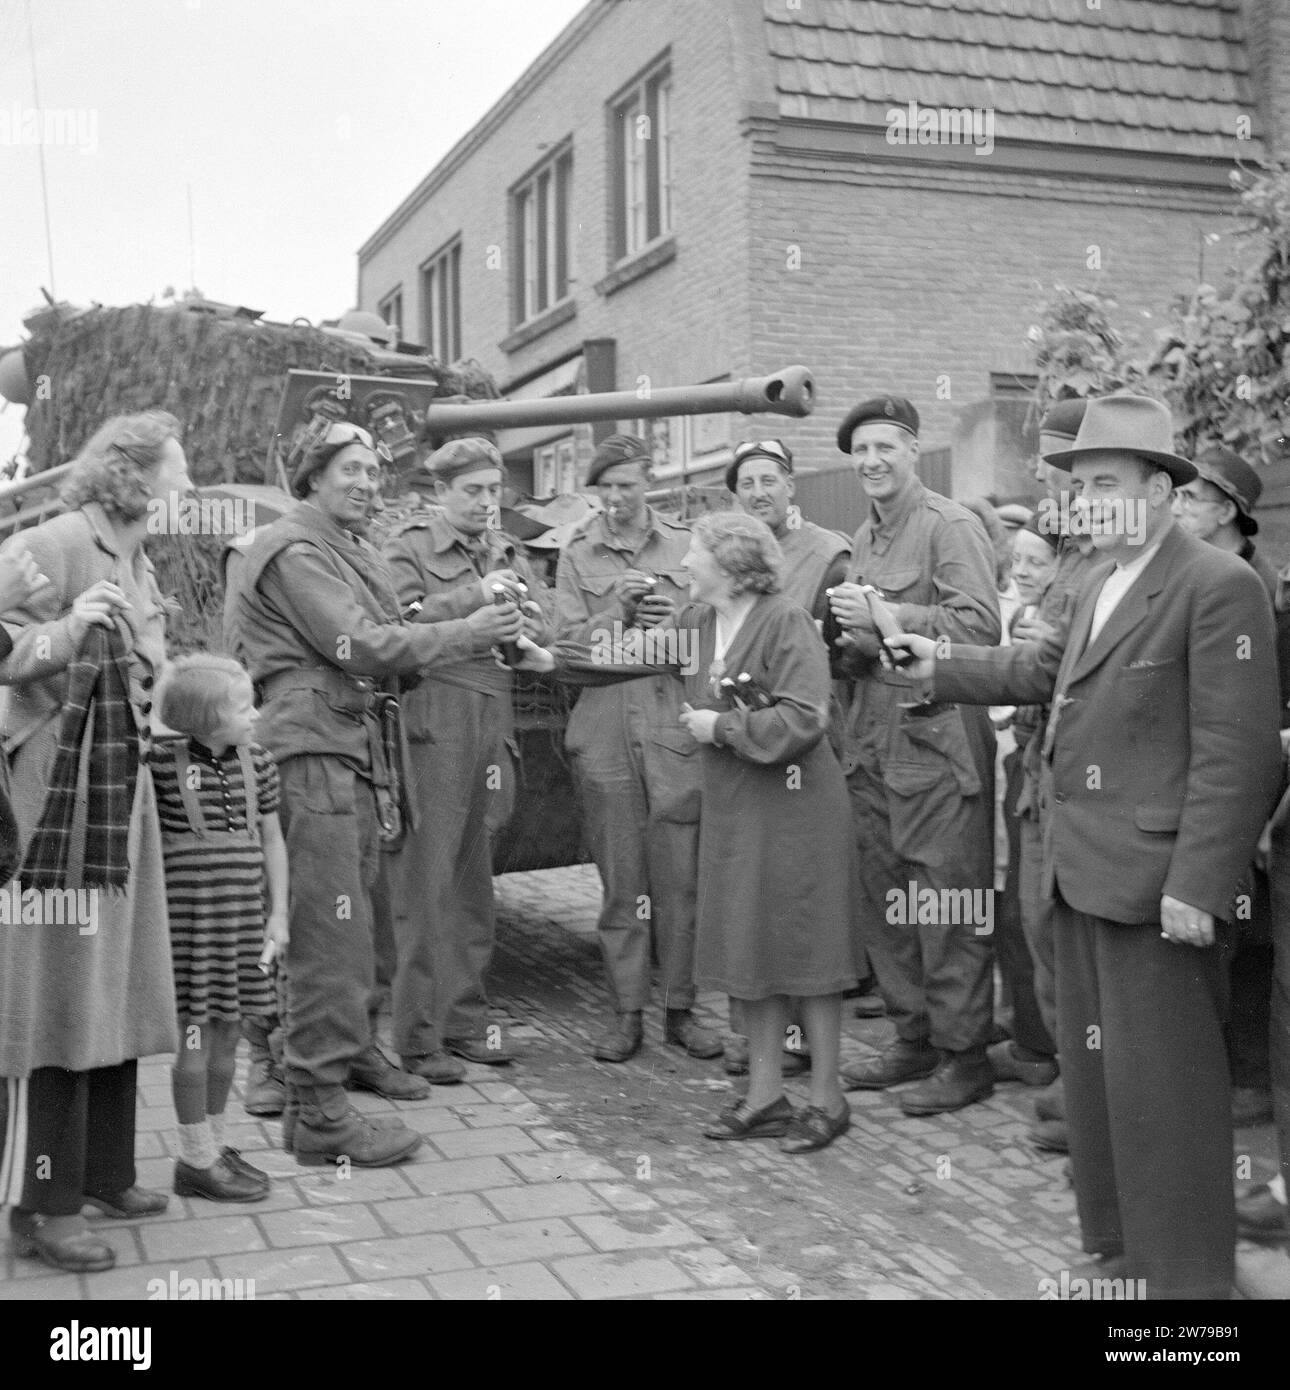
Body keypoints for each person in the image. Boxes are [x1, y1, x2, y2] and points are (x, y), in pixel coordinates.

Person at [888, 394, 1282, 1300]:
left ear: (1158, 489)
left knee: (1169, 1100)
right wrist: (932, 661)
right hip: (1078, 871)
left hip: (1158, 891)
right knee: (1101, 1092)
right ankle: (1119, 1257)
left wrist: (1201, 882)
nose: (1089, 499)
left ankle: (1188, 1296)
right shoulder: (1098, 581)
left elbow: (1241, 751)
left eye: (1107, 481)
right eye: (1080, 484)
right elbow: (1034, 671)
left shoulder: (1217, 585)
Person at [224, 421, 532, 1167]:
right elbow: (357, 646)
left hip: (345, 747)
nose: (367, 482)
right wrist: (468, 631)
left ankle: (343, 1058)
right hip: (312, 753)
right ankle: (320, 1109)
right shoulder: (296, 551)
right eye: (351, 470)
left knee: (353, 924)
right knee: (326, 931)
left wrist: (464, 604)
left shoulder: (338, 548)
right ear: (312, 477)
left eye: (374, 471)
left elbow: (392, 624)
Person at [0, 411, 190, 1272]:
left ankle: (106, 1170)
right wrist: (68, 629)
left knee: (117, 976)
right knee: (62, 991)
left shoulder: (137, 555)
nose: (187, 490)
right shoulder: (55, 541)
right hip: (60, 795)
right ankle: (43, 1203)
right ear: (130, 475)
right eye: (177, 473)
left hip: (120, 789)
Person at [827, 396, 1002, 1114]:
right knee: (888, 901)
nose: (870, 462)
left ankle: (965, 1056)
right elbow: (869, 641)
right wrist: (850, 640)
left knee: (948, 904)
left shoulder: (948, 527)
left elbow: (982, 630)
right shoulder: (865, 537)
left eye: (884, 448)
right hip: (873, 739)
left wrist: (889, 616)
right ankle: (914, 1037)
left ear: (911, 451)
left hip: (937, 743)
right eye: (859, 451)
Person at [672, 512, 858, 1151]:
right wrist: (551, 655)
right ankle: (765, 1095)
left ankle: (828, 1098)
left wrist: (719, 729)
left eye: (693, 552)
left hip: (799, 811)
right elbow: (628, 655)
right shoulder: (696, 623)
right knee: (751, 946)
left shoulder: (786, 621)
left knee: (808, 947)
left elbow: (808, 717)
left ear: (728, 564)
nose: (684, 563)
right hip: (738, 808)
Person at [383, 437, 551, 1075]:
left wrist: (532, 627)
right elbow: (399, 626)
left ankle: (467, 1022)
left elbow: (548, 626)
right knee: (423, 886)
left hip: (492, 716)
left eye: (492, 490)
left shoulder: (506, 549)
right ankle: (418, 1038)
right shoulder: (408, 548)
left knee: (473, 886)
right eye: (472, 491)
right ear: (439, 493)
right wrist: (474, 594)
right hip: (435, 720)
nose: (487, 503)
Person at [555, 435, 720, 1064]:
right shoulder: (576, 555)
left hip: (673, 729)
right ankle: (626, 1013)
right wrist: (617, 616)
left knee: (681, 881)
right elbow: (564, 651)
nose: (618, 498)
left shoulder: (688, 546)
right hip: (603, 736)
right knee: (621, 884)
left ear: (648, 479)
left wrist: (672, 620)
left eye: (628, 484)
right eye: (606, 488)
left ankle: (682, 1011)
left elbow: (711, 635)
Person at [723, 438, 854, 1074]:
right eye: (746, 481)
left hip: (799, 745)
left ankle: (805, 1051)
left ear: (791, 485)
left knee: (800, 905)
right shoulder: (723, 563)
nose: (759, 491)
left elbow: (841, 656)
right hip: (748, 762)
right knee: (751, 904)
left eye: (769, 478)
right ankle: (758, 1046)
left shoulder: (827, 554)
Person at [1176, 447, 1287, 1131]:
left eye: (1192, 498)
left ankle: (1250, 1081)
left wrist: (1264, 814)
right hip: (1219, 780)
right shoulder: (1203, 575)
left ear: (1227, 511)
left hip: (1258, 791)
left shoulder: (1260, 588)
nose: (1180, 507)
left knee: (1254, 941)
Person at [152, 654, 288, 1202]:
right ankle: (194, 1159)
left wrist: (279, 915)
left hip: (241, 925)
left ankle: (214, 1145)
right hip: (190, 932)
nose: (255, 715)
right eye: (242, 707)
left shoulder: (260, 763)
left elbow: (273, 839)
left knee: (230, 1033)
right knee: (194, 1040)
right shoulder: (159, 766)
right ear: (205, 719)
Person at [989, 517, 1061, 1092]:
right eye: (1018, 559)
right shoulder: (1024, 617)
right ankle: (1033, 1043)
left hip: (1050, 783)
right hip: (1025, 770)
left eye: (1037, 560)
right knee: (1018, 913)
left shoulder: (1056, 624)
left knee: (1040, 921)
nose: (1022, 570)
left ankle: (1048, 1056)